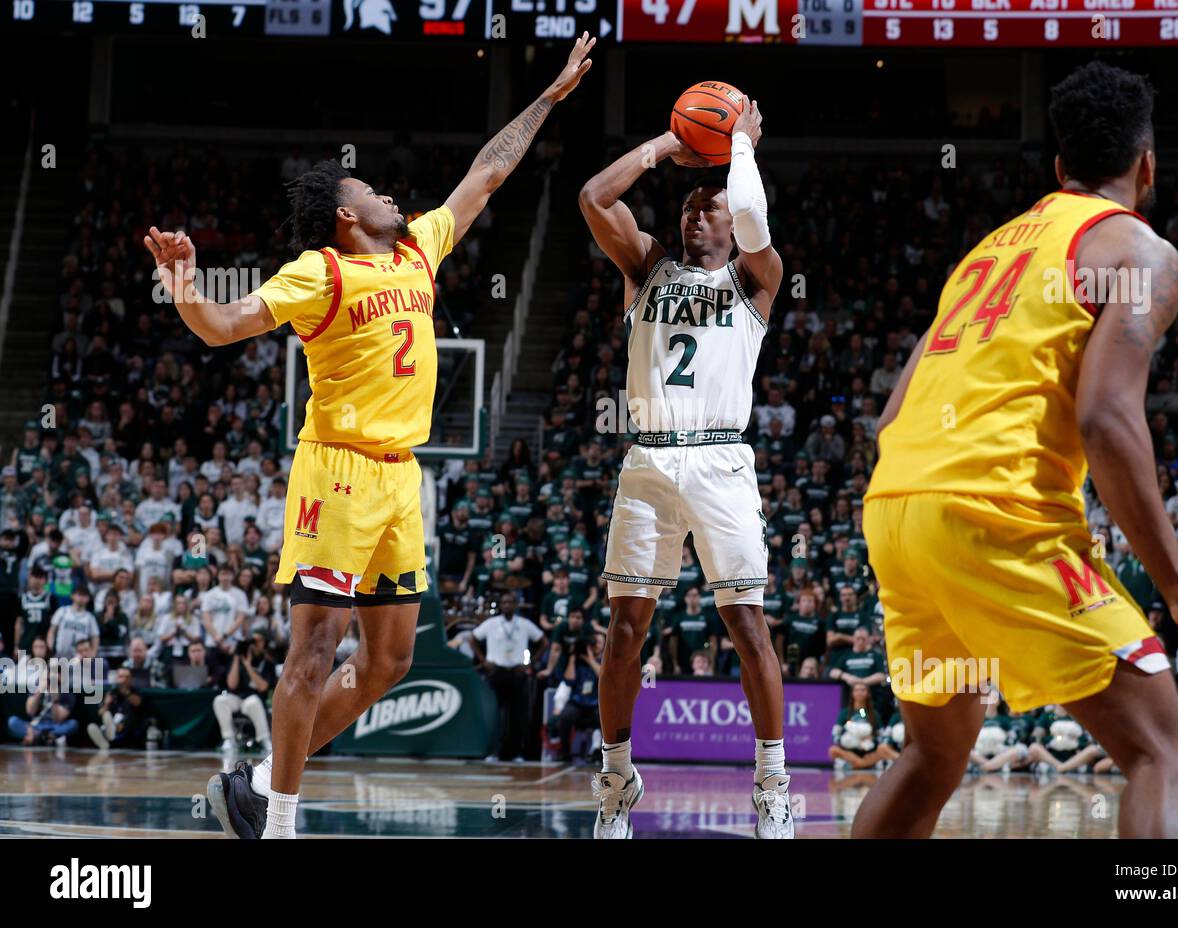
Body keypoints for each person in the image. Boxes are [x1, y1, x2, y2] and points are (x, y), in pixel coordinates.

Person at [152, 36, 596, 840]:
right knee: (314, 651)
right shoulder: (318, 270)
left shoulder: (418, 249)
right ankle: (280, 823)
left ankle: (253, 781)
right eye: (374, 193)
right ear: (347, 215)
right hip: (337, 472)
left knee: (389, 662)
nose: (394, 197)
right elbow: (221, 326)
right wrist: (183, 282)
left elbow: (487, 173)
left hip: (401, 479)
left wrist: (551, 98)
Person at [854, 62, 1178, 839]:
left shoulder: (988, 251)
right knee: (1176, 755)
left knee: (934, 758)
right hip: (997, 518)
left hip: (899, 519)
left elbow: (890, 416)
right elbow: (1106, 418)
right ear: (1147, 164)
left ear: (1059, 168)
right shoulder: (1141, 252)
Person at [580, 94, 792, 838]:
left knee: (748, 627)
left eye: (712, 207)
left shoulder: (754, 281)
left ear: (735, 220)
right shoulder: (645, 266)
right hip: (647, 462)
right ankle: (615, 780)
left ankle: (771, 784)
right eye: (689, 207)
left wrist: (739, 151)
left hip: (721, 462)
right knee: (625, 632)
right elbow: (593, 196)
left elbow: (757, 220)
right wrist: (669, 143)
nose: (695, 214)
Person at [450, 592, 545, 762]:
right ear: (501, 605)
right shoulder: (491, 623)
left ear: (516, 605)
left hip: (516, 672)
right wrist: (483, 660)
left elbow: (543, 641)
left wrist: (529, 664)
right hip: (496, 672)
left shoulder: (524, 624)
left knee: (517, 714)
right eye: (504, 602)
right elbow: (472, 639)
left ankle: (514, 753)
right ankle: (493, 751)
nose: (507, 605)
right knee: (494, 714)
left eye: (510, 602)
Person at [213, 632, 276, 754]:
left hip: (255, 699)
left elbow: (263, 687)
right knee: (219, 700)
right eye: (253, 641)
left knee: (253, 702)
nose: (254, 645)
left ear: (264, 643)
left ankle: (264, 740)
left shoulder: (267, 663)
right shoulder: (237, 659)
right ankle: (229, 739)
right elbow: (232, 685)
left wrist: (248, 665)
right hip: (237, 698)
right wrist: (237, 658)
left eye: (258, 641)